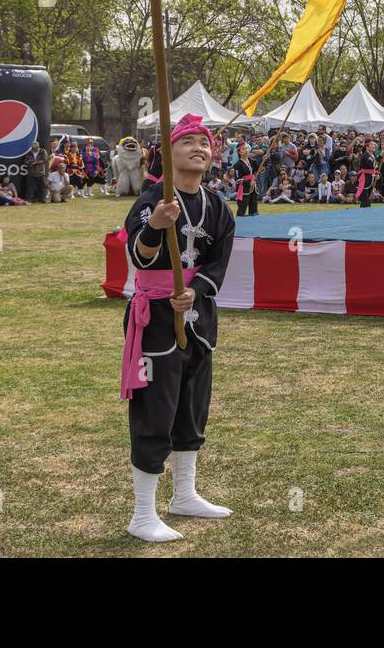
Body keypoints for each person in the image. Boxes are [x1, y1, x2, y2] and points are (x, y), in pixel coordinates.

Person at [121, 114, 234, 543]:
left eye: (204, 143)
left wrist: (197, 289)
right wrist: (155, 228)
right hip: (156, 320)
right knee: (156, 410)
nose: (198, 148)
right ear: (167, 154)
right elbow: (140, 255)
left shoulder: (218, 205)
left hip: (199, 317)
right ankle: (141, 514)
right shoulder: (152, 201)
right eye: (187, 141)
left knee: (191, 407)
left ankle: (184, 495)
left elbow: (220, 262)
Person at [355, 139, 378, 208]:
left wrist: (377, 174)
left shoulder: (373, 155)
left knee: (369, 198)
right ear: (367, 147)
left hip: (371, 177)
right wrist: (380, 157)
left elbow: (375, 167)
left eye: (374, 144)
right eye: (371, 144)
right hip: (365, 178)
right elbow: (372, 166)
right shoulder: (365, 156)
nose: (373, 146)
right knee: (365, 199)